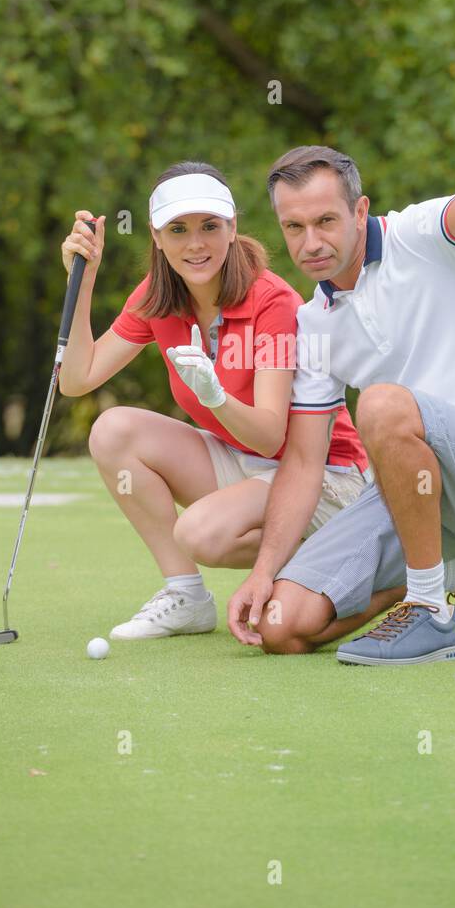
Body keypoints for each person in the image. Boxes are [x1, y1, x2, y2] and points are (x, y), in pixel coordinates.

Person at [227, 131, 455, 665]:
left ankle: (430, 608)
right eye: (294, 226)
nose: (310, 242)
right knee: (282, 627)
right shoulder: (312, 325)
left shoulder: (419, 233)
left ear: (359, 211)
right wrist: (264, 572)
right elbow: (306, 461)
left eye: (325, 221)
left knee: (380, 404)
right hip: (416, 503)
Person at [58, 161, 370, 640]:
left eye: (209, 227)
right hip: (245, 464)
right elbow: (77, 379)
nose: (195, 244)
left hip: (324, 477)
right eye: (178, 230)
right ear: (157, 237)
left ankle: (346, 553)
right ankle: (186, 596)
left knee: (200, 532)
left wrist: (215, 395)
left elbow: (270, 435)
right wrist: (83, 281)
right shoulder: (158, 296)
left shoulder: (271, 300)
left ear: (232, 228)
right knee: (112, 430)